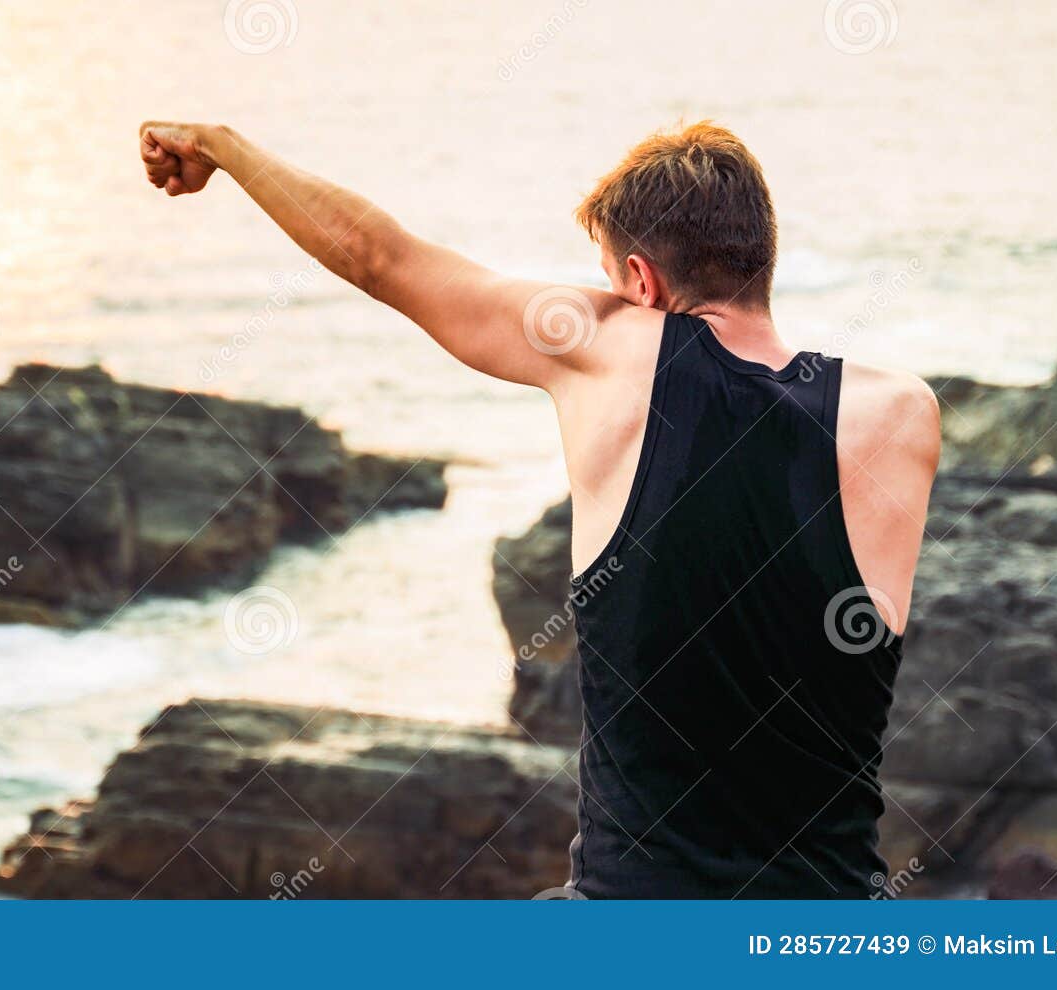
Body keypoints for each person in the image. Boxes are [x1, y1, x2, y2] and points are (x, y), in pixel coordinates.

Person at [139, 119, 940, 898]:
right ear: (761, 254)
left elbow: (380, 257)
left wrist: (225, 148)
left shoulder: (612, 353)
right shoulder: (901, 415)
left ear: (641, 282)